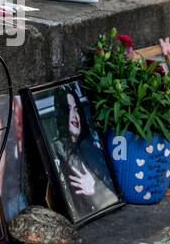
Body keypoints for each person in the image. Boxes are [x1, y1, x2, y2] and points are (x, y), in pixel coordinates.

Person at [50, 87, 119, 220]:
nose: (73, 115)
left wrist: (95, 190)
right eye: (68, 109)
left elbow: (110, 196)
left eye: (76, 109)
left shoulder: (89, 147)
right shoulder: (60, 149)